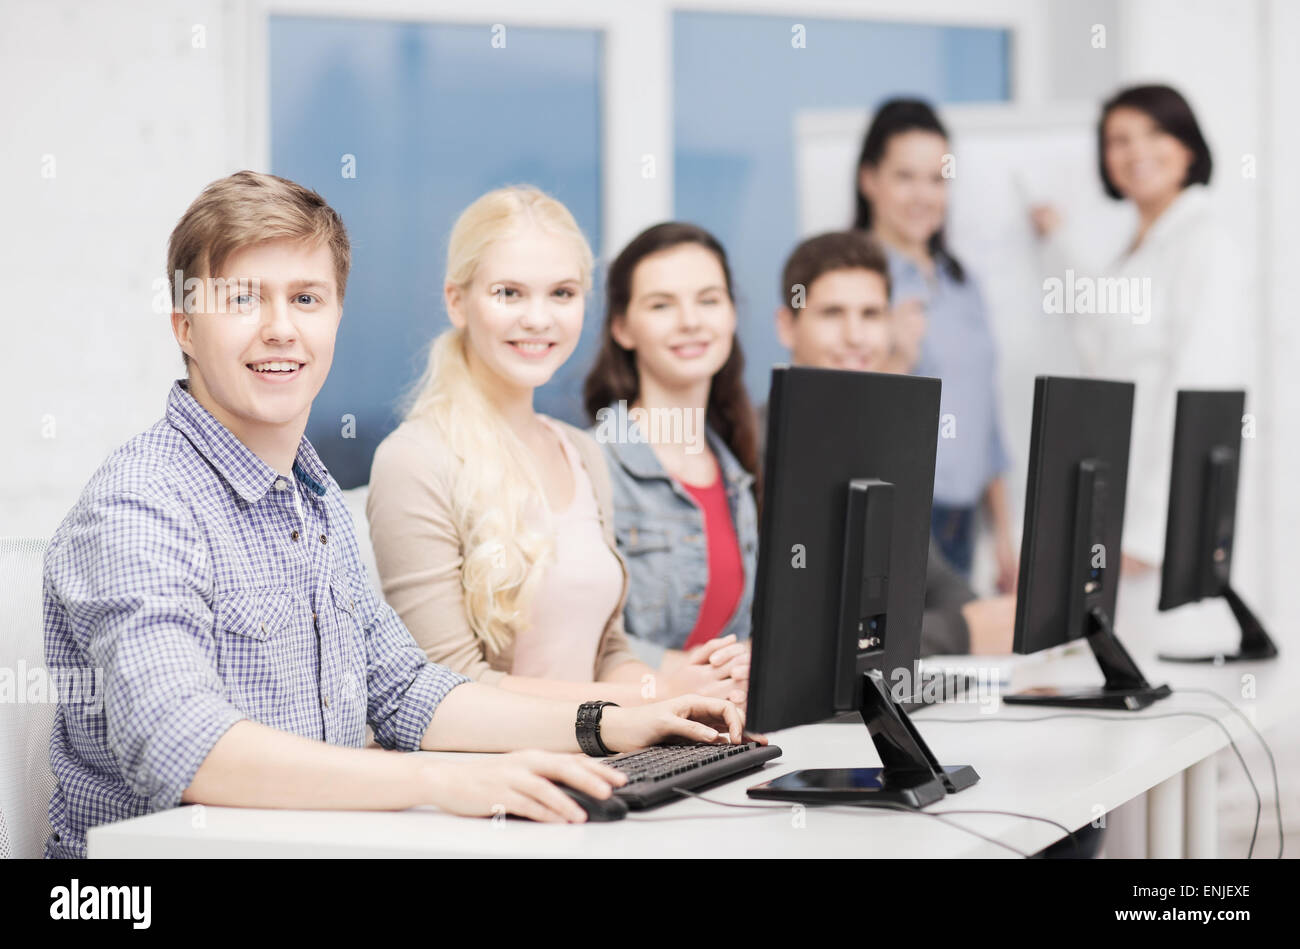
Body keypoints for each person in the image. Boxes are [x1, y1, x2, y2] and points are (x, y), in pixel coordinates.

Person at [42, 172, 750, 857]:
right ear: (185, 326)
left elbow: (410, 689)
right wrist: (445, 779)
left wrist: (610, 724)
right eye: (243, 300)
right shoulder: (138, 502)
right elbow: (182, 743)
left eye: (307, 299)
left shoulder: (309, 494)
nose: (281, 329)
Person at [367, 189, 747, 706]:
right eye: (509, 293)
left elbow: (606, 653)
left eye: (562, 294)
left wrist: (680, 689)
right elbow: (446, 688)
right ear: (457, 301)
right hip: (492, 777)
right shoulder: (414, 459)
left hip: (599, 757)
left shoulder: (580, 453)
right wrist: (641, 705)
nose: (539, 318)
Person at [1030, 83, 1248, 574]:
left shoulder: (1205, 244)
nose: (1136, 152)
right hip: (1116, 503)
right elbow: (1102, 338)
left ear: (1188, 146)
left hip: (1159, 529)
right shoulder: (1134, 251)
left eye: (1154, 134)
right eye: (1118, 140)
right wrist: (1055, 241)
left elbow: (1199, 392)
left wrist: (1149, 536)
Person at [773, 230, 1015, 656]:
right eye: (832, 314)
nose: (855, 336)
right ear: (788, 326)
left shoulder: (877, 449)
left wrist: (983, 620)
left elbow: (945, 591)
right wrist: (961, 632)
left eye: (871, 315)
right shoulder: (754, 446)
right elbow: (807, 643)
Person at [582, 223, 758, 693]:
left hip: (729, 740)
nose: (691, 321)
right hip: (631, 742)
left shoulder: (738, 472)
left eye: (709, 300)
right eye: (662, 304)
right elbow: (576, 642)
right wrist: (684, 672)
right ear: (622, 327)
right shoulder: (588, 465)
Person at [854, 98, 1017, 592]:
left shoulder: (961, 283)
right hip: (893, 515)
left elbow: (983, 414)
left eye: (937, 179)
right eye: (906, 176)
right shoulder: (854, 282)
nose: (923, 195)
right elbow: (838, 418)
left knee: (955, 661)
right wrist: (896, 356)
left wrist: (1005, 535)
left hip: (962, 524)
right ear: (870, 181)